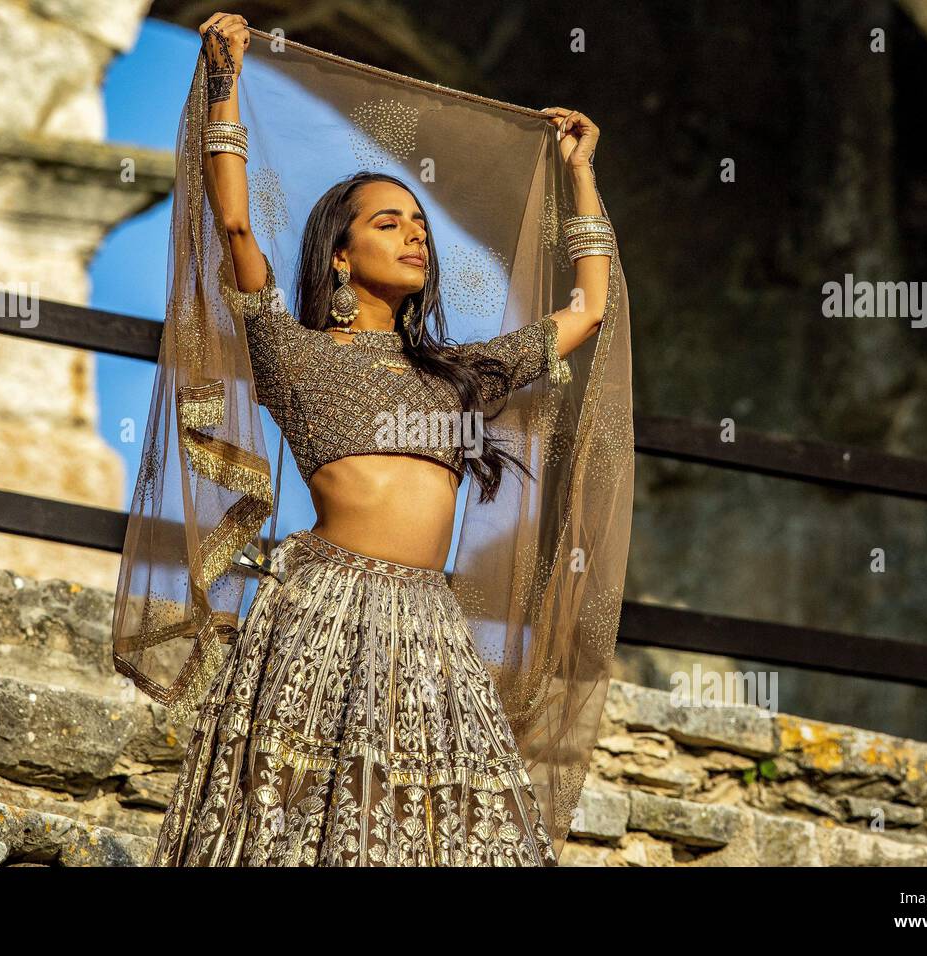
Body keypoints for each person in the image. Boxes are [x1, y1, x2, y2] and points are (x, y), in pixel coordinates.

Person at [113, 12, 633, 867]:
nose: (415, 233)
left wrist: (581, 176)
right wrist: (224, 81)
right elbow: (235, 226)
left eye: (420, 223)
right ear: (343, 256)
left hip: (430, 622)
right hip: (320, 606)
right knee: (289, 823)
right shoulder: (292, 351)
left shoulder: (461, 372)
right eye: (388, 223)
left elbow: (588, 310)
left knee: (461, 836)